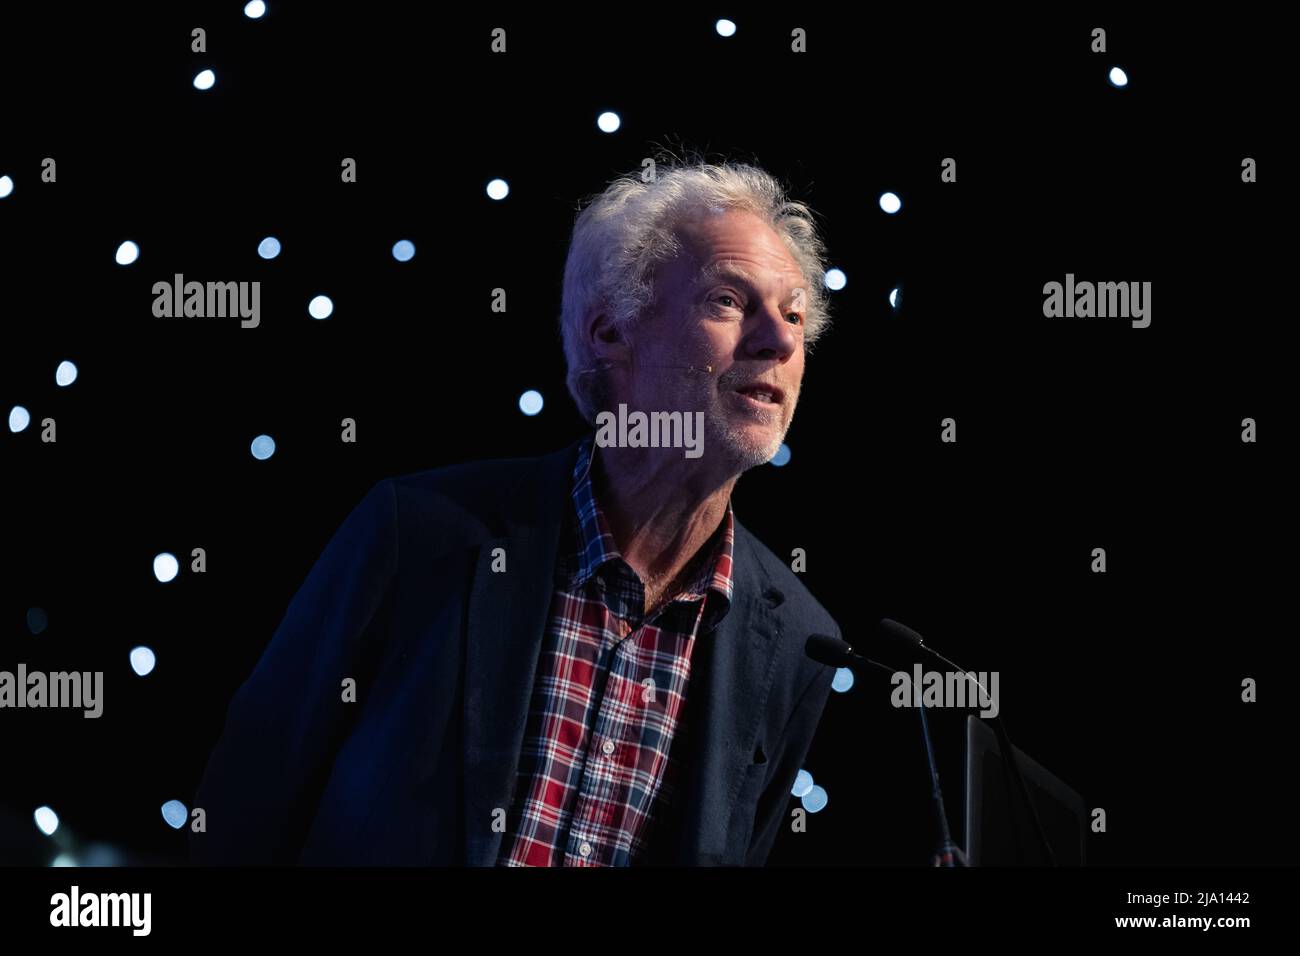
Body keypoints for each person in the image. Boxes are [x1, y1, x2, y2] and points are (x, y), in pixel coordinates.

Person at [191, 159, 843, 866]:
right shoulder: (420, 532)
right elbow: (245, 807)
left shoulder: (799, 642)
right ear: (610, 334)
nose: (779, 341)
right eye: (727, 301)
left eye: (796, 313)